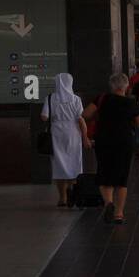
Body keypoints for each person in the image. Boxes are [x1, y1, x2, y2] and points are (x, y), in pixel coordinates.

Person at [83, 73, 139, 224]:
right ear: (126, 86)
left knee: (104, 172)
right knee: (122, 178)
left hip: (103, 140)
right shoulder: (131, 102)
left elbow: (85, 115)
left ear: (111, 86)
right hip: (124, 141)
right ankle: (119, 213)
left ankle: (108, 203)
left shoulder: (101, 99)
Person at [41, 73, 91, 208]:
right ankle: (72, 194)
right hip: (73, 134)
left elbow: (44, 117)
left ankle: (62, 198)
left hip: (56, 133)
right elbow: (81, 119)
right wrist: (85, 137)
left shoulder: (50, 98)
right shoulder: (76, 99)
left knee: (59, 165)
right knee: (74, 163)